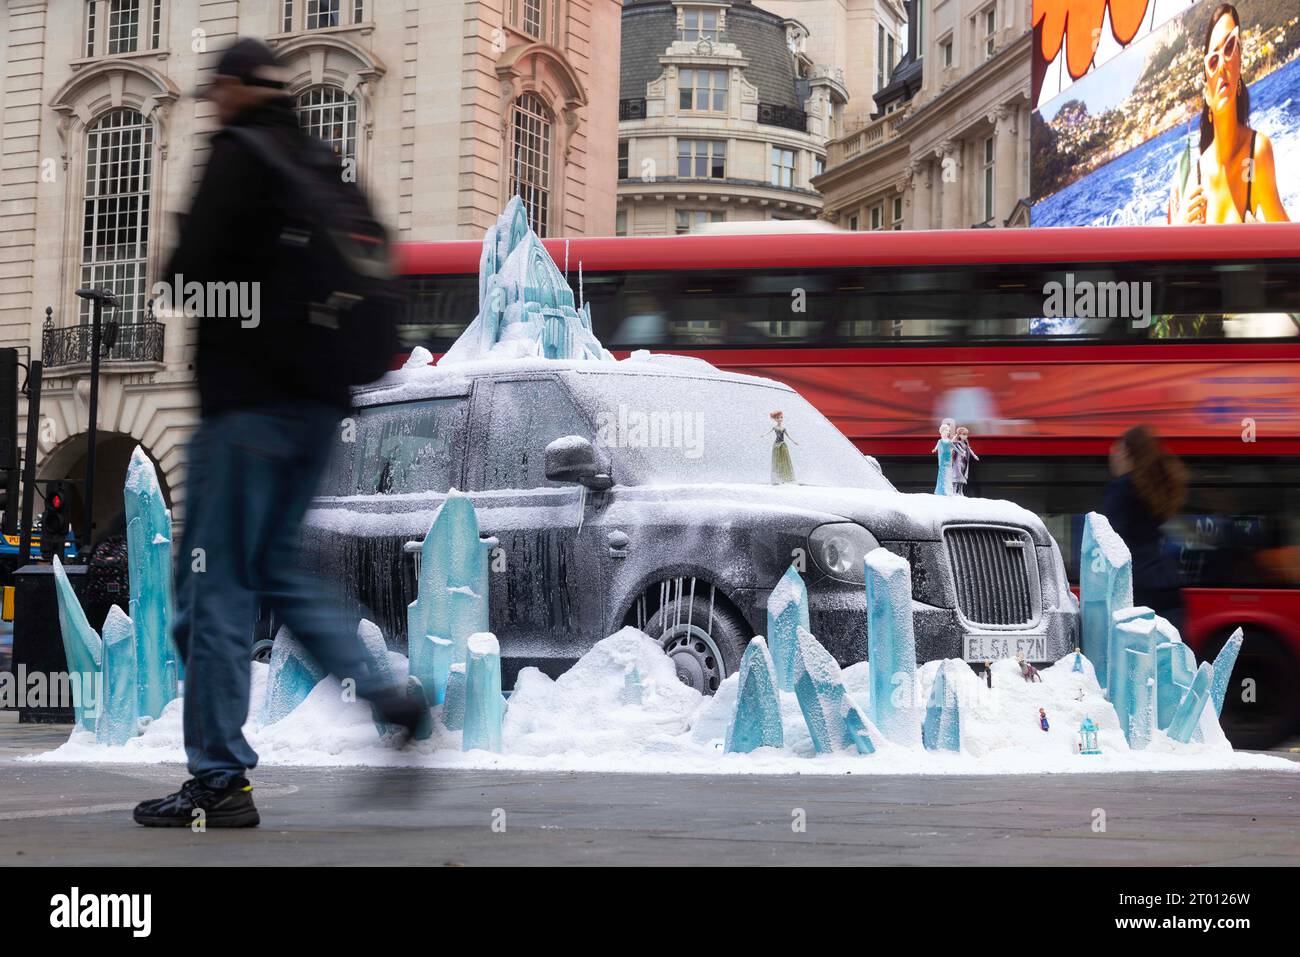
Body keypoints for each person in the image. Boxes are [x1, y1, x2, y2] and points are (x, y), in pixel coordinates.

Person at [133, 39, 421, 829]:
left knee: (214, 591)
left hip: (246, 411)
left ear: (231, 88)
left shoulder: (239, 154)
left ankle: (220, 777)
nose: (209, 104)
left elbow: (188, 277)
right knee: (277, 571)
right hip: (319, 411)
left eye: (212, 91)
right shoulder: (321, 161)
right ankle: (389, 695)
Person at [1169, 4, 1289, 224]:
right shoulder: (1191, 182)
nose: (1222, 63)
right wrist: (1179, 230)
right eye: (1213, 61)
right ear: (1206, 91)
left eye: (1230, 46)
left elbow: (1288, 244)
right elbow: (1168, 256)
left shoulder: (1257, 154)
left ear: (1239, 63)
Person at [1102, 426, 1189, 633]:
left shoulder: (1122, 488)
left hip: (1136, 587)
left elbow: (1108, 539)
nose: (1112, 456)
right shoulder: (1155, 488)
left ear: (1126, 453)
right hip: (1167, 584)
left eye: (1116, 450)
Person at [951, 426, 979, 497]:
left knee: (962, 476)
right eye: (963, 434)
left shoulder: (966, 443)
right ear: (959, 435)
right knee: (956, 475)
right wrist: (962, 452)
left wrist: (974, 456)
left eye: (966, 434)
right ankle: (954, 491)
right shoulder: (957, 443)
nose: (965, 436)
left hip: (964, 462)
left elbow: (969, 450)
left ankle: (960, 491)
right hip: (957, 462)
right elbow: (959, 449)